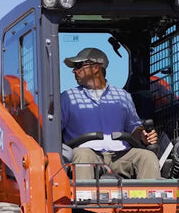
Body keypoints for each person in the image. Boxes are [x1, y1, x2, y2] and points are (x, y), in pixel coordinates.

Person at [60, 48, 160, 180]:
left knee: (147, 157)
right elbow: (54, 130)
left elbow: (134, 127)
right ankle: (84, 199)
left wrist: (143, 135)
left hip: (120, 155)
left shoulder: (122, 96)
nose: (74, 71)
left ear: (96, 68)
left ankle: (152, 200)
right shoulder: (68, 97)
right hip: (88, 154)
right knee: (83, 155)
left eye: (79, 66)